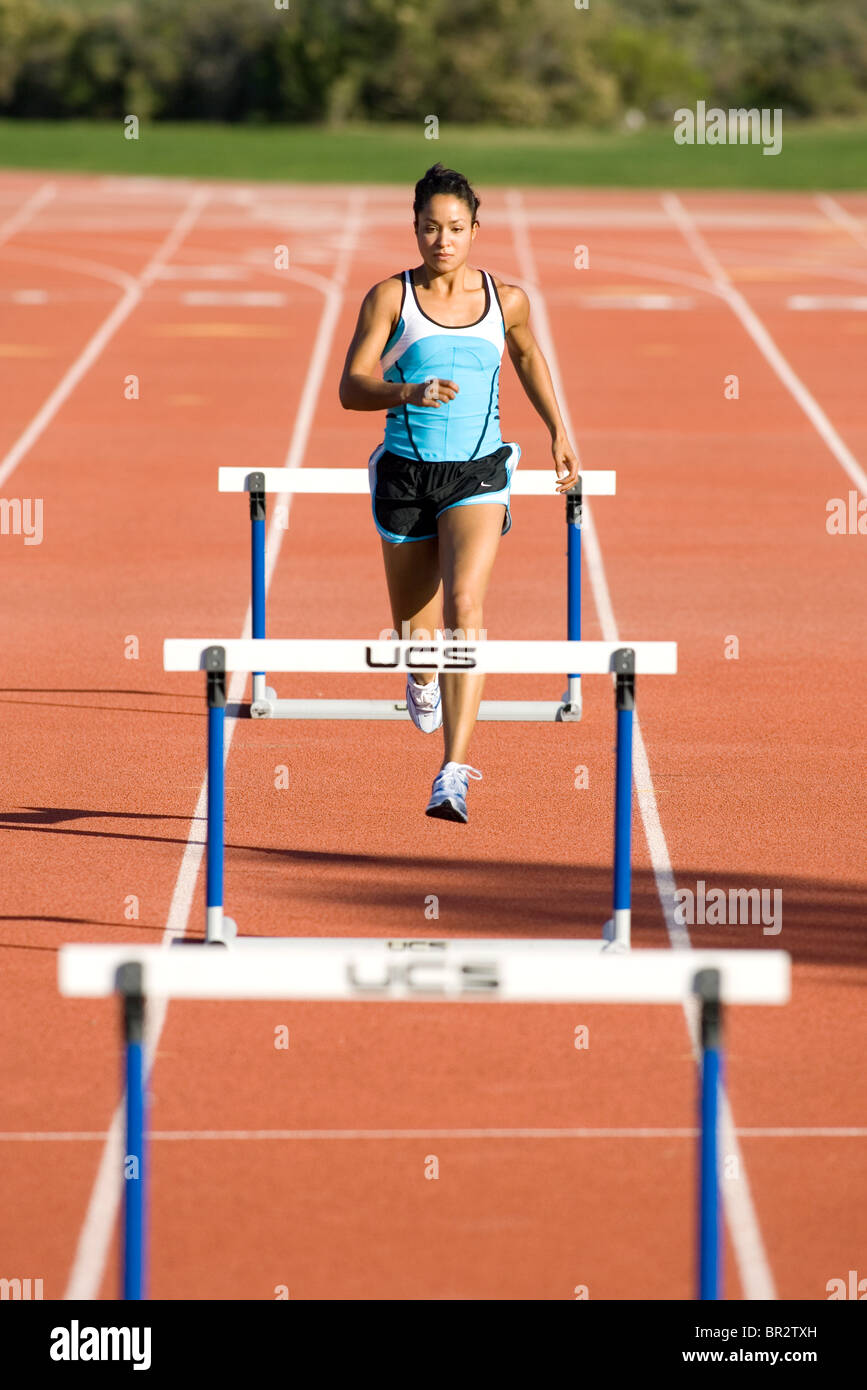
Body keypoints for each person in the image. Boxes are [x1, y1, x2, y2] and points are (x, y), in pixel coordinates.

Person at [339, 163, 579, 822]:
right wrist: (406, 390)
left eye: (454, 228)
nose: (441, 240)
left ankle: (452, 772)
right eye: (428, 228)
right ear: (413, 229)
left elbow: (527, 355)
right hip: (407, 474)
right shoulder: (390, 298)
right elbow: (350, 387)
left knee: (465, 605)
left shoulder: (508, 300)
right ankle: (419, 675)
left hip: (476, 471)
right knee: (415, 637)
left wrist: (558, 429)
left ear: (474, 230)